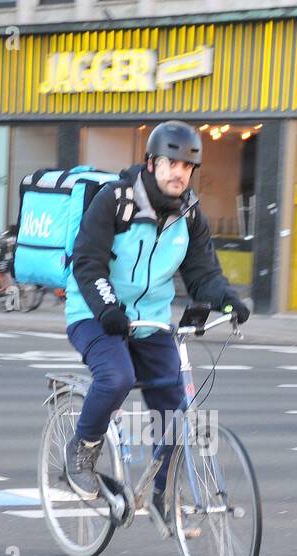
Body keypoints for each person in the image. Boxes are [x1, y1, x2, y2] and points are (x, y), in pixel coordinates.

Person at [61, 120, 250, 532]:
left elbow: (202, 274)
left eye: (187, 167)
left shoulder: (190, 214)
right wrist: (108, 308)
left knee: (176, 414)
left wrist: (227, 299)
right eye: (170, 163)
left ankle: (165, 495)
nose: (179, 173)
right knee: (116, 377)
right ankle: (82, 449)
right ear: (151, 163)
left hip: (151, 323)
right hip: (95, 315)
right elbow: (87, 262)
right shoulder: (115, 201)